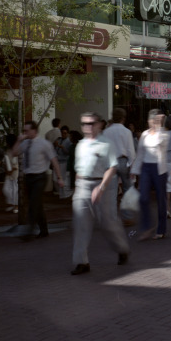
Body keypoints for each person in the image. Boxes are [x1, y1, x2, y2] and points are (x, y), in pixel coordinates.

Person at [70, 112, 129, 275]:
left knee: (107, 222)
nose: (87, 127)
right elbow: (78, 169)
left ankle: (122, 248)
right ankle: (82, 262)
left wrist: (101, 188)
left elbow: (112, 167)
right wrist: (77, 188)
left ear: (99, 124)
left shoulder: (106, 144)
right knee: (81, 224)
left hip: (103, 185)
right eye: (84, 124)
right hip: (83, 185)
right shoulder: (80, 145)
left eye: (90, 123)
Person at [11, 120, 63, 241]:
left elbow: (54, 160)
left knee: (33, 204)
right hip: (28, 177)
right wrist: (18, 140)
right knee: (37, 205)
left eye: (27, 130)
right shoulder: (25, 143)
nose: (25, 133)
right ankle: (44, 230)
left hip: (40, 176)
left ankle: (28, 232)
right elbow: (14, 153)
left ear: (34, 131)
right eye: (24, 131)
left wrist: (59, 177)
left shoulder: (44, 144)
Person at [131, 109, 171, 241]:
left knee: (161, 199)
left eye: (155, 120)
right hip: (146, 168)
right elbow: (140, 153)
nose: (152, 123)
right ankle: (147, 228)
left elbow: (161, 144)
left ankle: (161, 229)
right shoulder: (144, 134)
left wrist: (159, 127)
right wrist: (134, 170)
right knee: (143, 198)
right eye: (151, 120)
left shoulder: (164, 134)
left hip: (159, 168)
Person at [102, 107, 136, 194]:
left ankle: (112, 207)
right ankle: (127, 207)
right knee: (128, 189)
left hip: (111, 162)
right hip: (123, 161)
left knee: (111, 190)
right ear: (123, 118)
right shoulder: (127, 131)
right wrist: (132, 165)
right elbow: (130, 150)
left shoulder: (106, 131)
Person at [1, 133, 19, 212]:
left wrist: (13, 169)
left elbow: (18, 163)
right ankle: (11, 204)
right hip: (8, 173)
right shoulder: (8, 151)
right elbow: (5, 161)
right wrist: (6, 169)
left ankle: (16, 206)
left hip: (15, 172)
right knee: (6, 189)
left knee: (15, 190)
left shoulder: (17, 150)